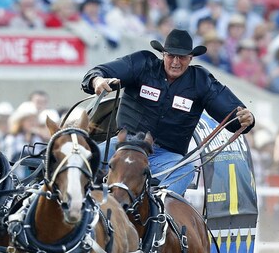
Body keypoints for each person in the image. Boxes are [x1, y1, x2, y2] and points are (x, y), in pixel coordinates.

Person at [81, 28, 255, 195]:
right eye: (171, 56)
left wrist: (247, 118)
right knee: (82, 161)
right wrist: (96, 80)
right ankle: (79, 212)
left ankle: (159, 213)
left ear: (191, 58)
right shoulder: (142, 63)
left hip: (164, 157)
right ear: (163, 54)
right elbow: (98, 73)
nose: (175, 62)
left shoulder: (201, 81)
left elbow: (235, 116)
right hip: (124, 146)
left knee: (186, 170)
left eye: (182, 57)